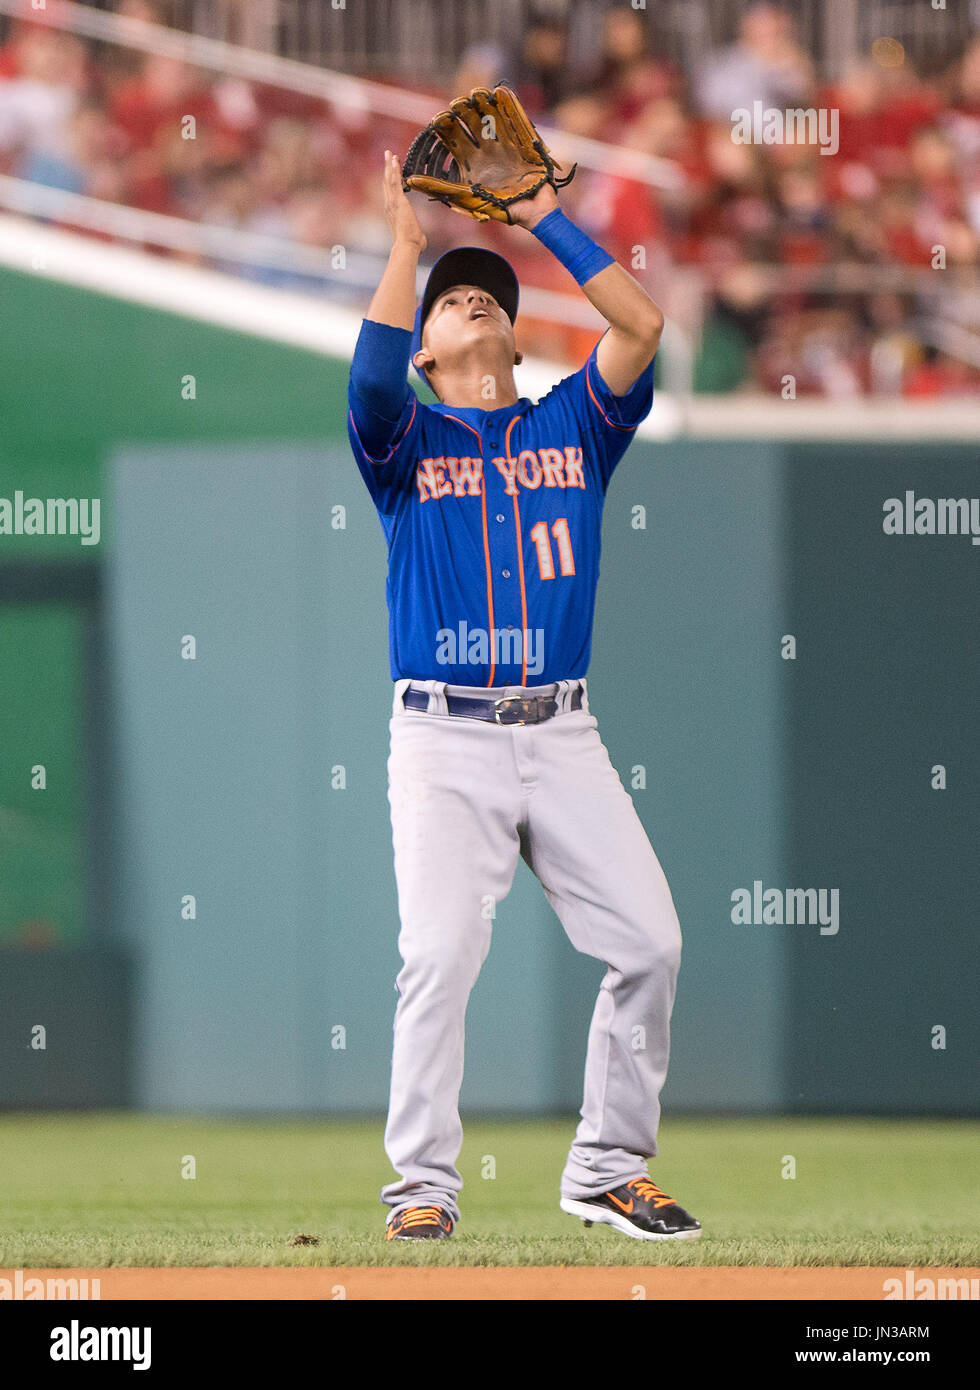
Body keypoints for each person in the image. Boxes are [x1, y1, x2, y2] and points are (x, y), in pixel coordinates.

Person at [346, 148, 701, 1244]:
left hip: (561, 731)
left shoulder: (572, 425)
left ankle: (604, 1168)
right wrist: (408, 242)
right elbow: (366, 378)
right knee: (438, 954)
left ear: (511, 329)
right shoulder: (403, 438)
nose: (470, 302)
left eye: (485, 295)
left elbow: (640, 329)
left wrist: (546, 216)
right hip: (442, 737)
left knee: (650, 943)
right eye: (451, 301)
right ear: (429, 353)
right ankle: (421, 1187)